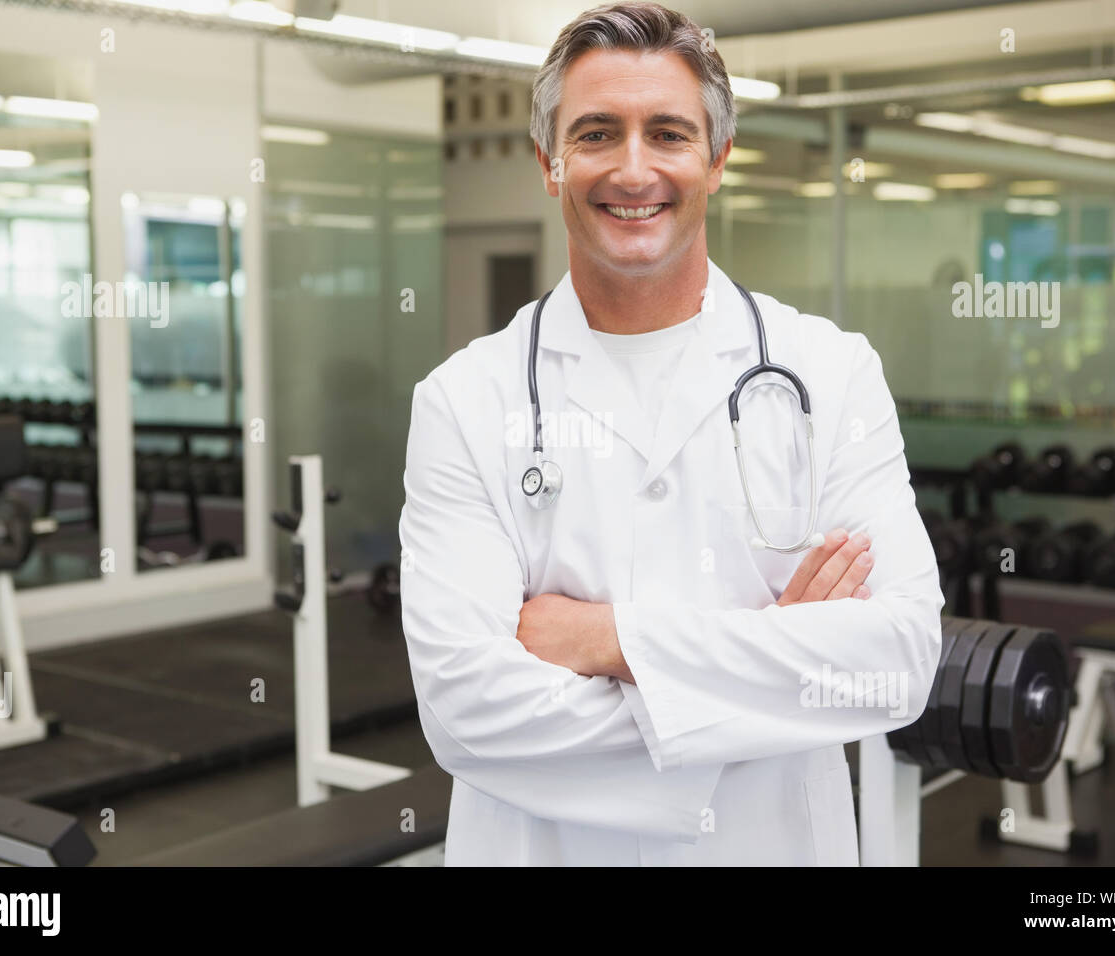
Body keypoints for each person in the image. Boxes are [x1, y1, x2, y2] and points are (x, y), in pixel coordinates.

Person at [399, 1, 942, 865]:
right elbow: (466, 712)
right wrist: (775, 664)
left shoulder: (829, 373)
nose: (633, 168)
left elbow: (898, 661)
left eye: (668, 133)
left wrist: (606, 641)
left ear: (717, 159)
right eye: (597, 134)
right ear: (550, 161)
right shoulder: (464, 399)